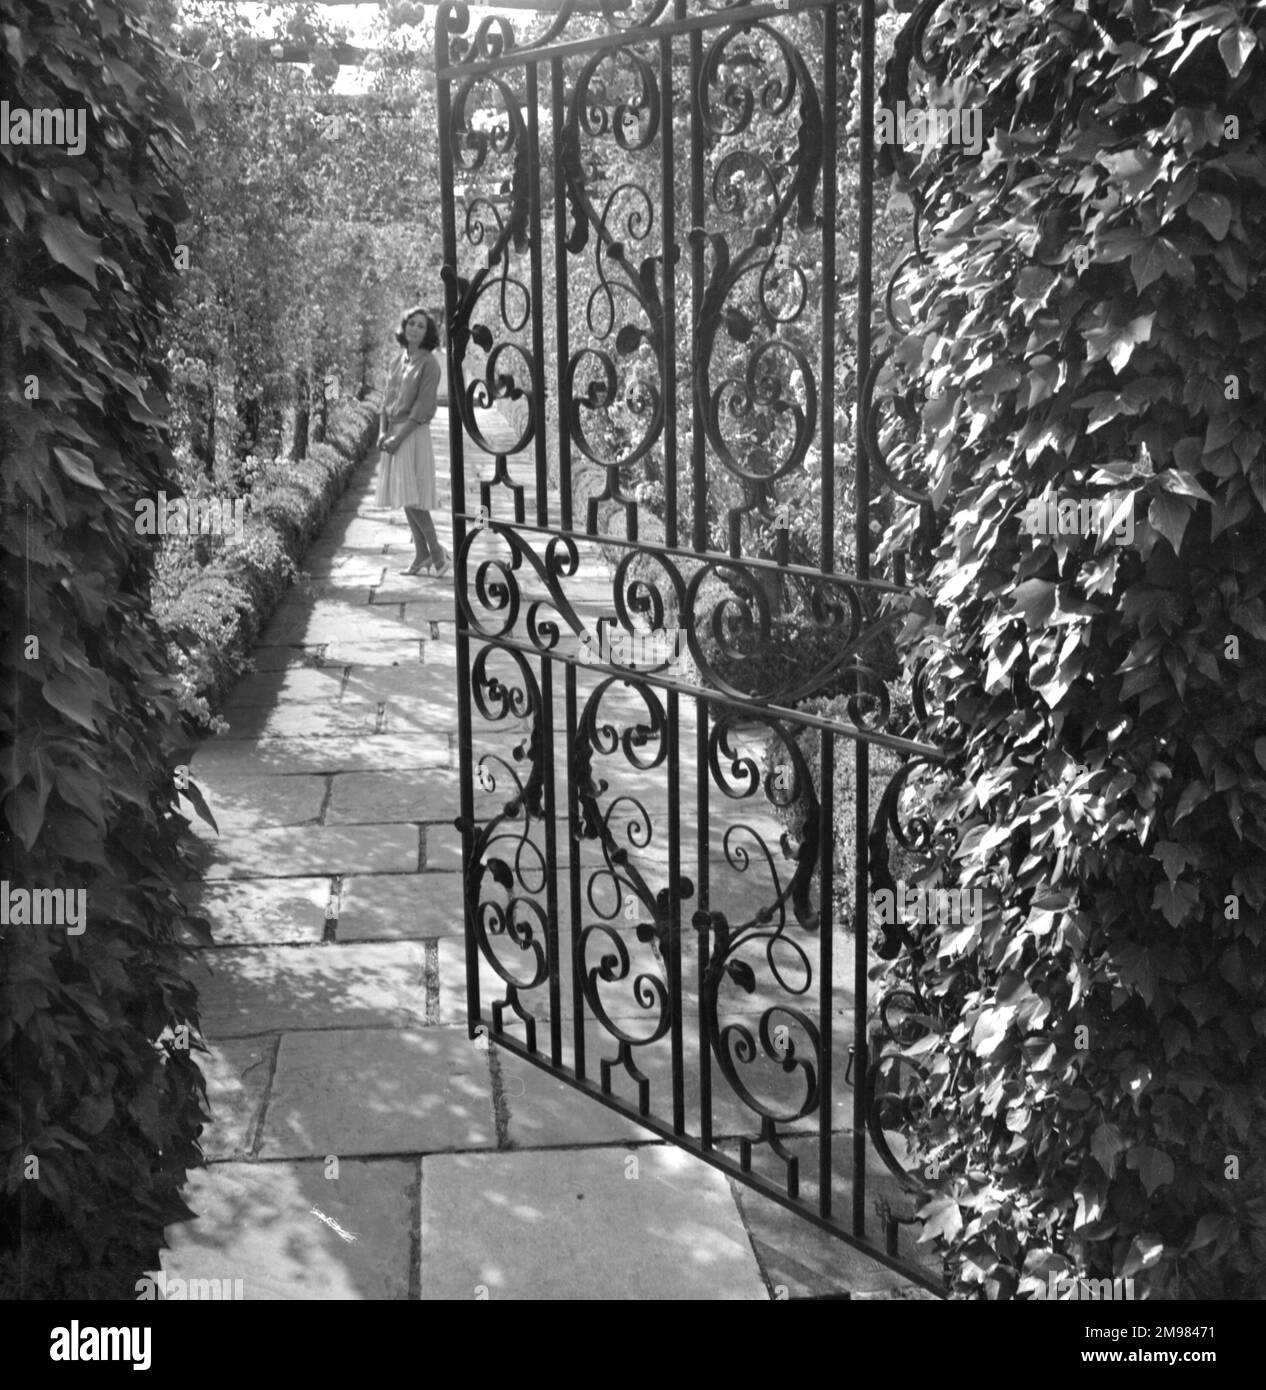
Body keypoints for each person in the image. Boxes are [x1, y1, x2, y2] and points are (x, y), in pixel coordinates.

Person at [376, 306, 447, 576]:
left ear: (427, 332)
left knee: (413, 498)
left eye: (421, 326)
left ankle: (436, 554)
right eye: (411, 324)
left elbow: (422, 408)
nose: (415, 329)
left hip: (411, 433)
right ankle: (421, 555)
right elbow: (386, 400)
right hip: (393, 432)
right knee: (407, 498)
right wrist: (383, 433)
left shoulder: (429, 363)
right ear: (404, 327)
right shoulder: (398, 360)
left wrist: (397, 438)